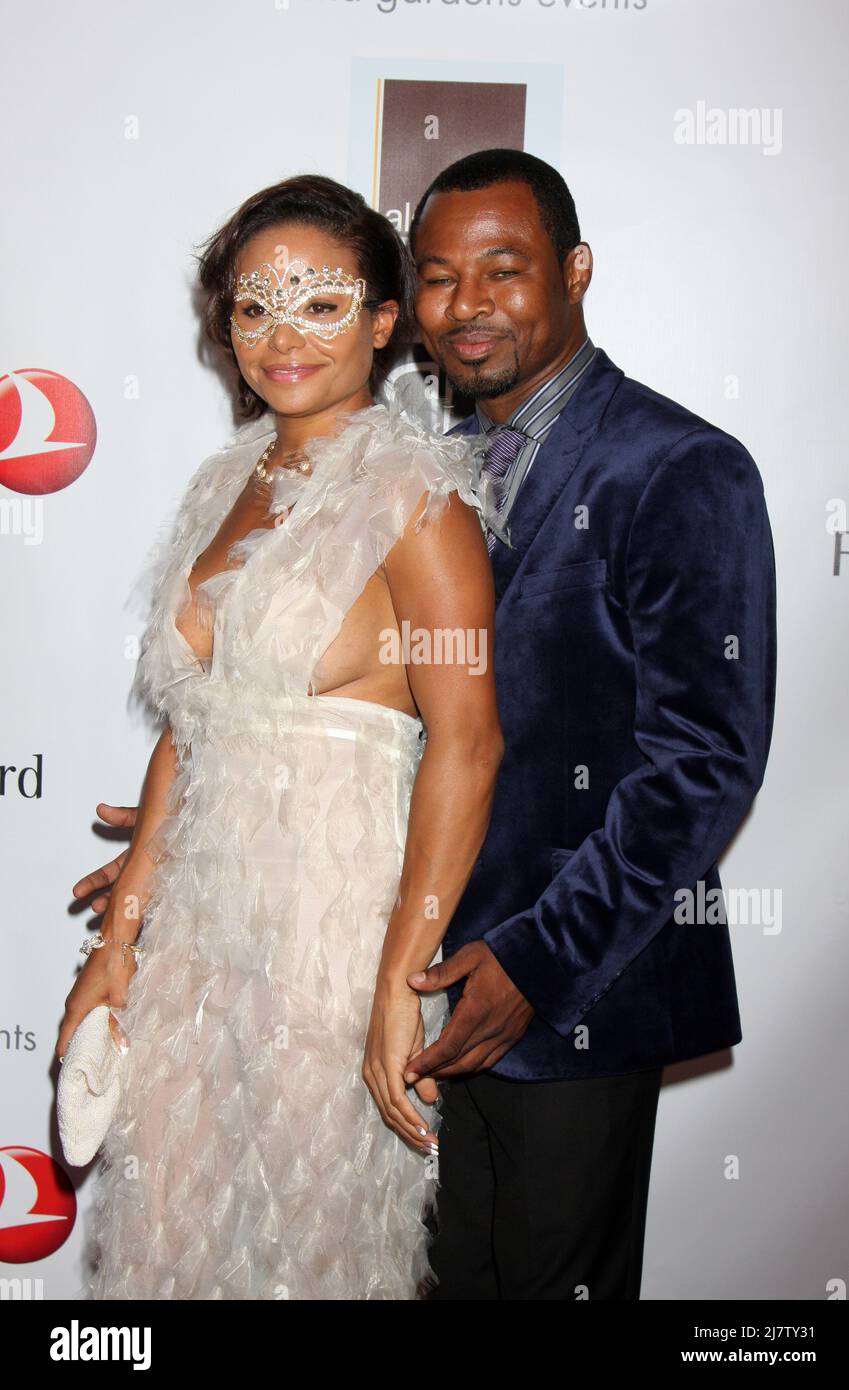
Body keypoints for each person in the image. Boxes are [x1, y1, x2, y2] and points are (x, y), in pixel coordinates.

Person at [56, 173, 503, 1300]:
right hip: (200, 936)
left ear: (383, 319)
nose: (281, 334)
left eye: (318, 301)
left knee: (315, 1249)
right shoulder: (225, 482)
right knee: (174, 1233)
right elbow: (189, 734)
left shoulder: (416, 492)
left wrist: (404, 973)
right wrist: (120, 949)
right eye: (253, 305)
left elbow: (467, 741)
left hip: (337, 930)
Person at [396, 149, 777, 1299]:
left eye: (501, 270)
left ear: (573, 272)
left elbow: (702, 758)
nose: (465, 306)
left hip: (576, 991)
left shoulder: (679, 466)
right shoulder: (421, 474)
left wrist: (536, 957)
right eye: (435, 277)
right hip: (415, 983)